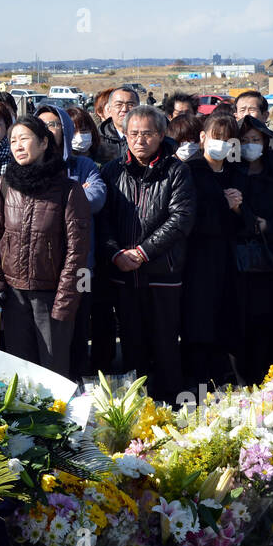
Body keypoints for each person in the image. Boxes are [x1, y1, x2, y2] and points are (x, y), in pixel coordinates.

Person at [96, 104, 195, 401]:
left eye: (148, 134)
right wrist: (116, 254)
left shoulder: (177, 171)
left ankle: (171, 406)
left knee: (165, 344)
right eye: (134, 133)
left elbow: (181, 219)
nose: (140, 140)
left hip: (162, 272)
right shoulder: (112, 171)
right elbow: (103, 220)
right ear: (124, 135)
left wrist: (141, 252)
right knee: (131, 342)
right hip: (123, 276)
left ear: (162, 134)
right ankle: (134, 407)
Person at [0, 116, 90, 375]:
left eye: (25, 139)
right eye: (14, 141)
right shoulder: (6, 184)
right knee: (21, 374)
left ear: (43, 143)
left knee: (54, 372)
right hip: (14, 297)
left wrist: (64, 301)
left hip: (52, 296)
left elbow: (77, 253)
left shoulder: (68, 190)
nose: (18, 146)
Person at [36, 104, 106, 375]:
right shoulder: (30, 167)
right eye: (41, 125)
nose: (48, 130)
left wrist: (51, 201)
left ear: (64, 129)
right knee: (49, 331)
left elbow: (97, 199)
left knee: (79, 328)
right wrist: (74, 195)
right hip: (44, 267)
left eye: (53, 124)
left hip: (81, 267)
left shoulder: (82, 164)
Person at [180, 113, 246, 388]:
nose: (221, 144)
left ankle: (225, 377)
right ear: (203, 138)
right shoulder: (189, 170)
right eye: (216, 137)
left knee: (226, 320)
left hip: (230, 260)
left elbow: (247, 219)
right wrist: (222, 204)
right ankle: (196, 380)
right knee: (199, 320)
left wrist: (238, 208)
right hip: (197, 259)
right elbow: (187, 215)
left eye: (228, 139)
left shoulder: (235, 172)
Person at [234, 115, 273, 384]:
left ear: (265, 143)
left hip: (270, 260)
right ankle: (241, 377)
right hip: (237, 260)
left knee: (268, 320)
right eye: (245, 141)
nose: (250, 145)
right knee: (240, 320)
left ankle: (272, 376)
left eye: (255, 140)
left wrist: (268, 225)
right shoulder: (231, 175)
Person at [95, 85, 139, 164]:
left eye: (130, 104)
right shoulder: (97, 140)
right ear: (109, 109)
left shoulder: (150, 137)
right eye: (119, 105)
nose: (124, 109)